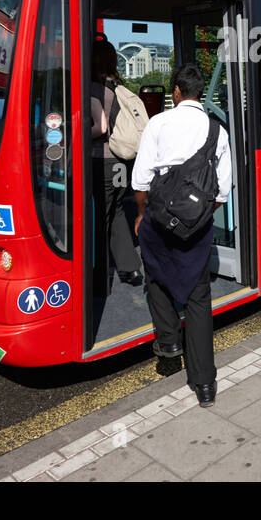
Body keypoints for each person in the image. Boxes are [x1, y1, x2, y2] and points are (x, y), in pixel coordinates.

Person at [132, 64, 231, 407]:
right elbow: (222, 191)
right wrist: (199, 218)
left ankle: (170, 343)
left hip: (158, 221)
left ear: (175, 92)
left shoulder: (158, 123)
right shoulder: (217, 130)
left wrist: (144, 214)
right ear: (200, 93)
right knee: (198, 297)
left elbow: (140, 180)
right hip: (198, 228)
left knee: (156, 276)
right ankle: (205, 385)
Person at [90, 39, 143, 287]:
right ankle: (131, 269)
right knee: (117, 211)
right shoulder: (120, 87)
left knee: (99, 218)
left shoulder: (93, 88)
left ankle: (100, 278)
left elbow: (100, 126)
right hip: (123, 163)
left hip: (102, 163)